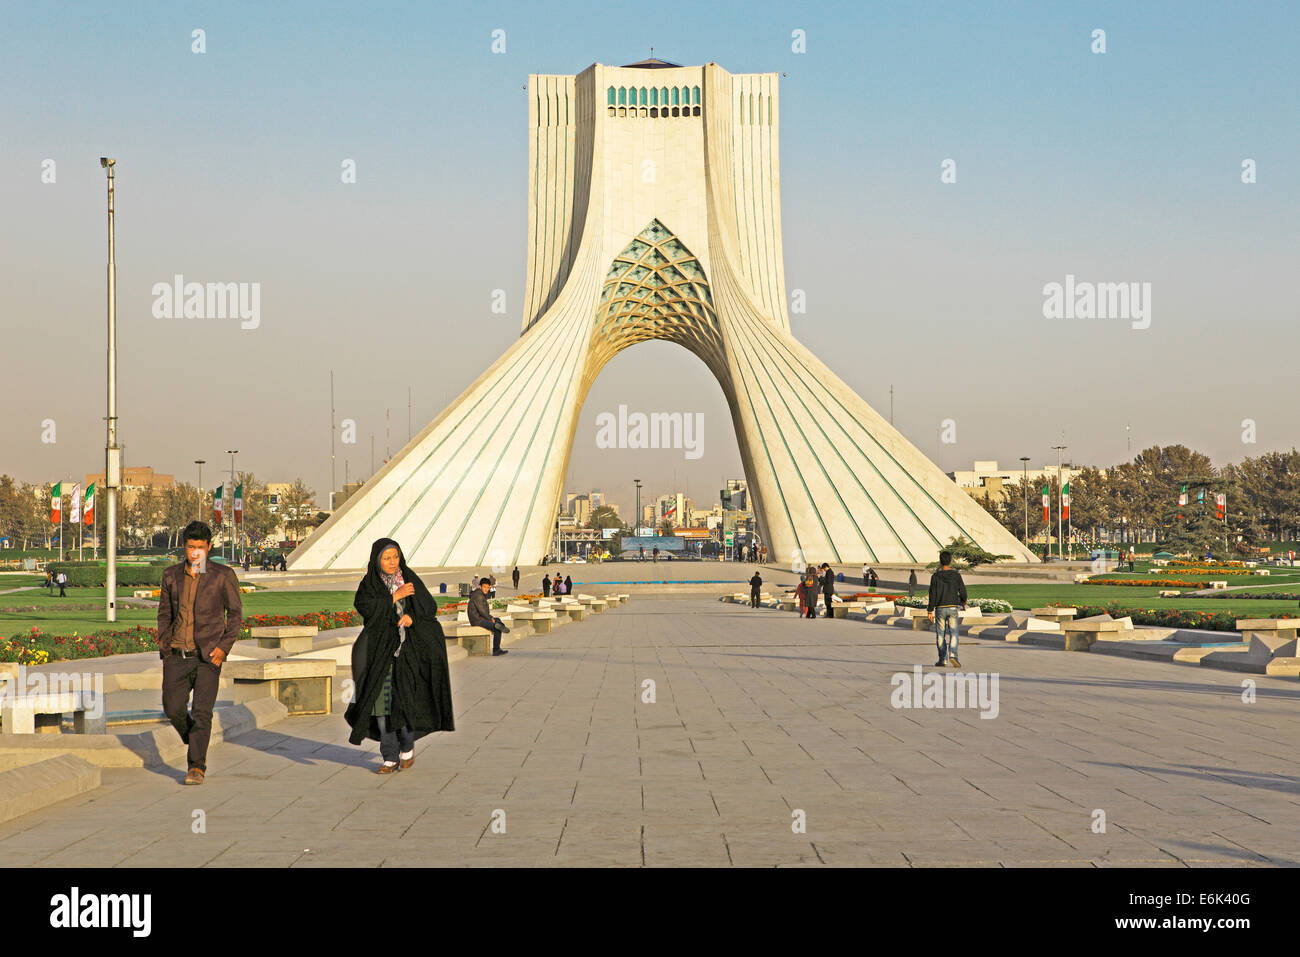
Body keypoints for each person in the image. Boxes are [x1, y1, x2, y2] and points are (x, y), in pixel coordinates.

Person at [347, 538, 454, 772]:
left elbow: (427, 609)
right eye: (386, 558)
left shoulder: (409, 578)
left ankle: (407, 748)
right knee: (381, 704)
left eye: (395, 556)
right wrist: (394, 597)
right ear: (377, 560)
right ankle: (389, 757)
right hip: (380, 654)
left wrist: (411, 618)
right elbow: (366, 608)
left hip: (407, 654)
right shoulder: (370, 584)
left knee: (404, 703)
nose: (392, 562)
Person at [156, 521, 242, 785]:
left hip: (208, 657)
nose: (195, 553)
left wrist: (223, 648)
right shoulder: (171, 576)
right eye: (191, 547)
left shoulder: (222, 576)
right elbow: (164, 614)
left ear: (209, 547)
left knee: (203, 712)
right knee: (172, 708)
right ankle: (193, 737)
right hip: (176, 655)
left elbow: (236, 615)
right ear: (184, 546)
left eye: (200, 548)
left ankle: (196, 767)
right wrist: (165, 647)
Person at [927, 550, 967, 668]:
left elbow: (932, 594)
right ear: (950, 561)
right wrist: (963, 601)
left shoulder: (935, 576)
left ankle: (942, 659)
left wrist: (930, 610)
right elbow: (963, 591)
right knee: (954, 633)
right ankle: (953, 655)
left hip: (940, 608)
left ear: (940, 561)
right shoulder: (956, 575)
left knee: (940, 635)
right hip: (953, 607)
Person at [468, 576, 510, 656]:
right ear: (480, 586)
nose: (486, 589)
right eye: (484, 587)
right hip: (477, 621)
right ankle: (496, 650)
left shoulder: (480, 594)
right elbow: (482, 611)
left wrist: (491, 618)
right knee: (496, 627)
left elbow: (483, 611)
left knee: (497, 620)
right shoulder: (478, 596)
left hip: (480, 618)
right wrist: (490, 619)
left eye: (488, 587)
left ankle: (501, 626)